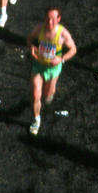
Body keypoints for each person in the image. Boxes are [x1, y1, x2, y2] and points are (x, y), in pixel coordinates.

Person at [27, 7, 76, 136]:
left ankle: (50, 92)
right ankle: (36, 120)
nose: (50, 22)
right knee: (35, 94)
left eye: (53, 20)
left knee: (47, 96)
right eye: (48, 19)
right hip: (39, 65)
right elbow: (30, 39)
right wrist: (32, 47)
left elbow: (73, 49)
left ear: (58, 19)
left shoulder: (63, 34)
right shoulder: (39, 29)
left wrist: (61, 58)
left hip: (53, 69)